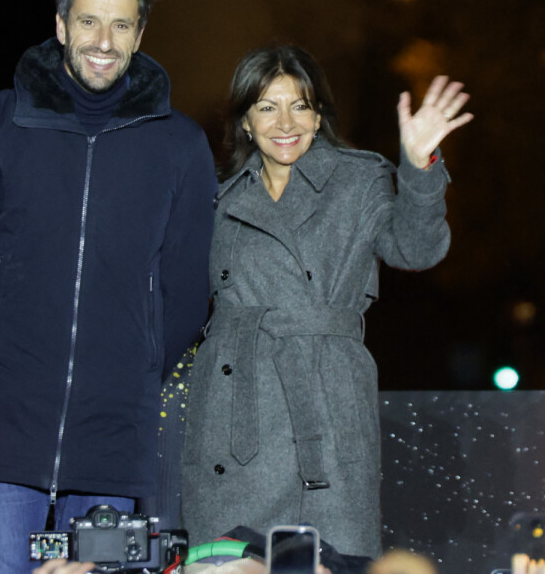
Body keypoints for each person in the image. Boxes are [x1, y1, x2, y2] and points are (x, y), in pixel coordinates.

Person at [0, 0, 217, 572]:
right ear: (61, 25)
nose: (103, 42)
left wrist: (131, 365)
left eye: (121, 26)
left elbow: (189, 284)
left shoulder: (180, 144)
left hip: (112, 433)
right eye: (89, 21)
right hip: (0, 417)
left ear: (140, 36)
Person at [181, 45, 472, 559]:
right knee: (223, 565)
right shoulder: (218, 199)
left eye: (300, 105)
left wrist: (418, 165)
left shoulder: (357, 181)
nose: (285, 121)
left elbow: (416, 247)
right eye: (267, 106)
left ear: (319, 117)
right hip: (233, 416)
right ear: (246, 121)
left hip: (329, 410)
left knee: (332, 561)